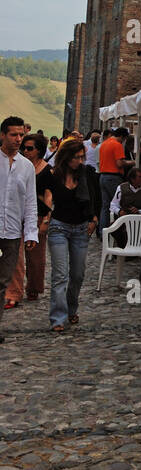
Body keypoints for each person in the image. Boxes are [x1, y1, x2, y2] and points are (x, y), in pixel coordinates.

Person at [45, 137, 100, 333]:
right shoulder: (54, 175)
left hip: (81, 228)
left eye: (82, 157)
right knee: (60, 274)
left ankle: (71, 308)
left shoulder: (87, 174)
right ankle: (58, 318)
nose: (80, 161)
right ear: (66, 157)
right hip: (59, 227)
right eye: (76, 157)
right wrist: (45, 212)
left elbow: (96, 198)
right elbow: (37, 191)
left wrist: (94, 219)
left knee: (77, 274)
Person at [0, 117, 39, 332]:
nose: (18, 139)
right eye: (14, 134)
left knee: (3, 282)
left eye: (21, 135)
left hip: (12, 232)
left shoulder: (26, 167)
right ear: (2, 135)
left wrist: (31, 232)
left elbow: (30, 202)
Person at [6, 132, 52, 305]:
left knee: (35, 258)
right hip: (17, 216)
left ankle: (33, 287)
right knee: (16, 258)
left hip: (38, 216)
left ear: (39, 150)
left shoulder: (47, 170)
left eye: (30, 148)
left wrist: (46, 219)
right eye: (24, 147)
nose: (26, 151)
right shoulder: (18, 166)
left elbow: (49, 196)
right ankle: (13, 293)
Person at [97, 126, 128, 232]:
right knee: (117, 204)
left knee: (105, 206)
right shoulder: (117, 145)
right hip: (113, 177)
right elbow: (119, 163)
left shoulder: (104, 143)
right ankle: (117, 231)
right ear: (122, 137)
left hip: (103, 176)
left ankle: (102, 231)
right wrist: (130, 162)